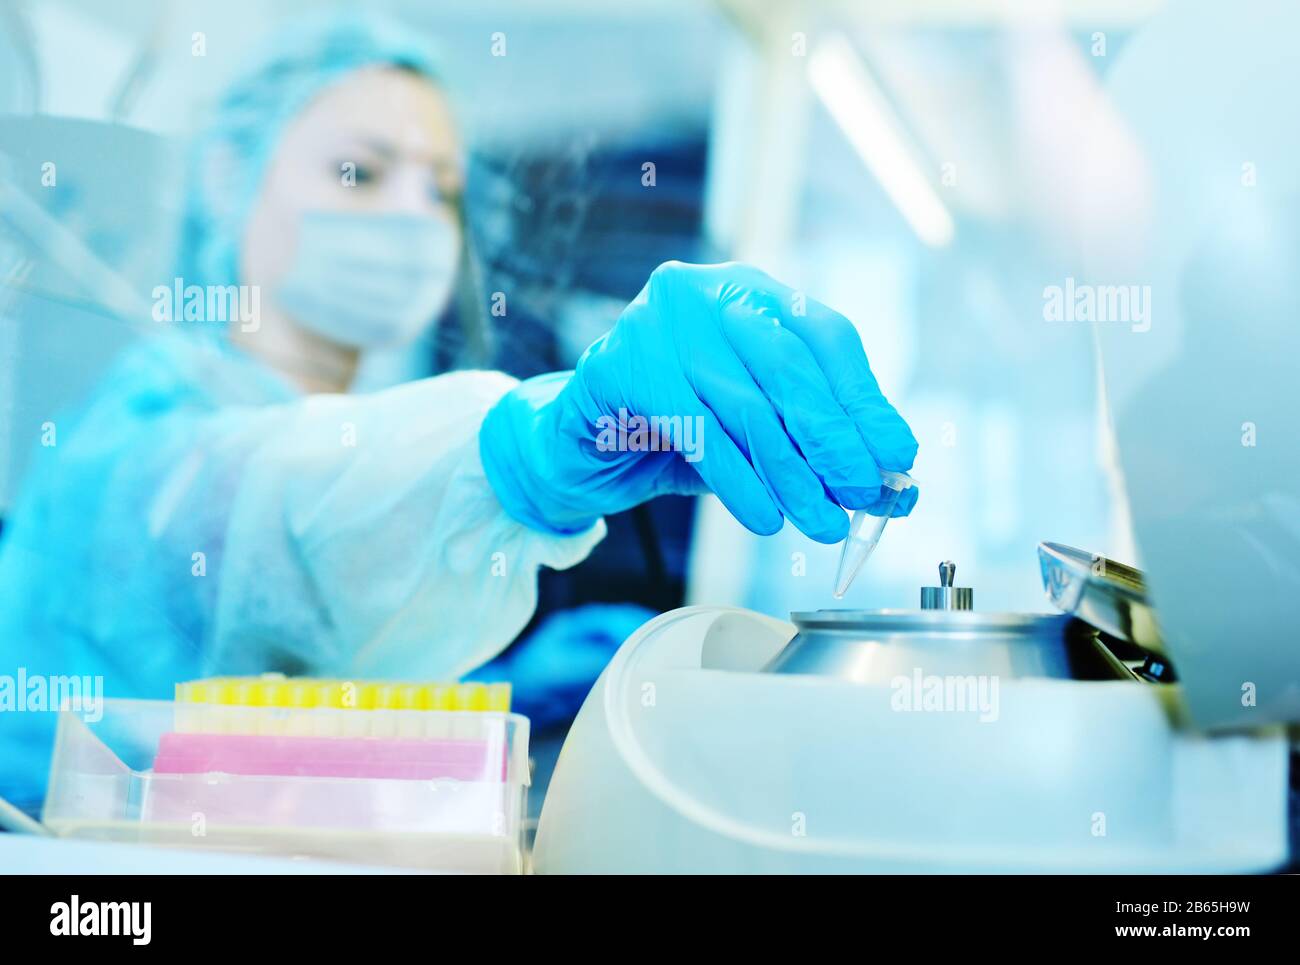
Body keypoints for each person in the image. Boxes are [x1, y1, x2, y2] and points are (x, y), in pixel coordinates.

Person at [0, 15, 917, 807]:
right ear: (226, 171)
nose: (411, 217)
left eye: (438, 189)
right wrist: (528, 447)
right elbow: (279, 507)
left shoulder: (350, 420)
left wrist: (486, 697)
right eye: (361, 172)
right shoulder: (144, 435)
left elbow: (287, 681)